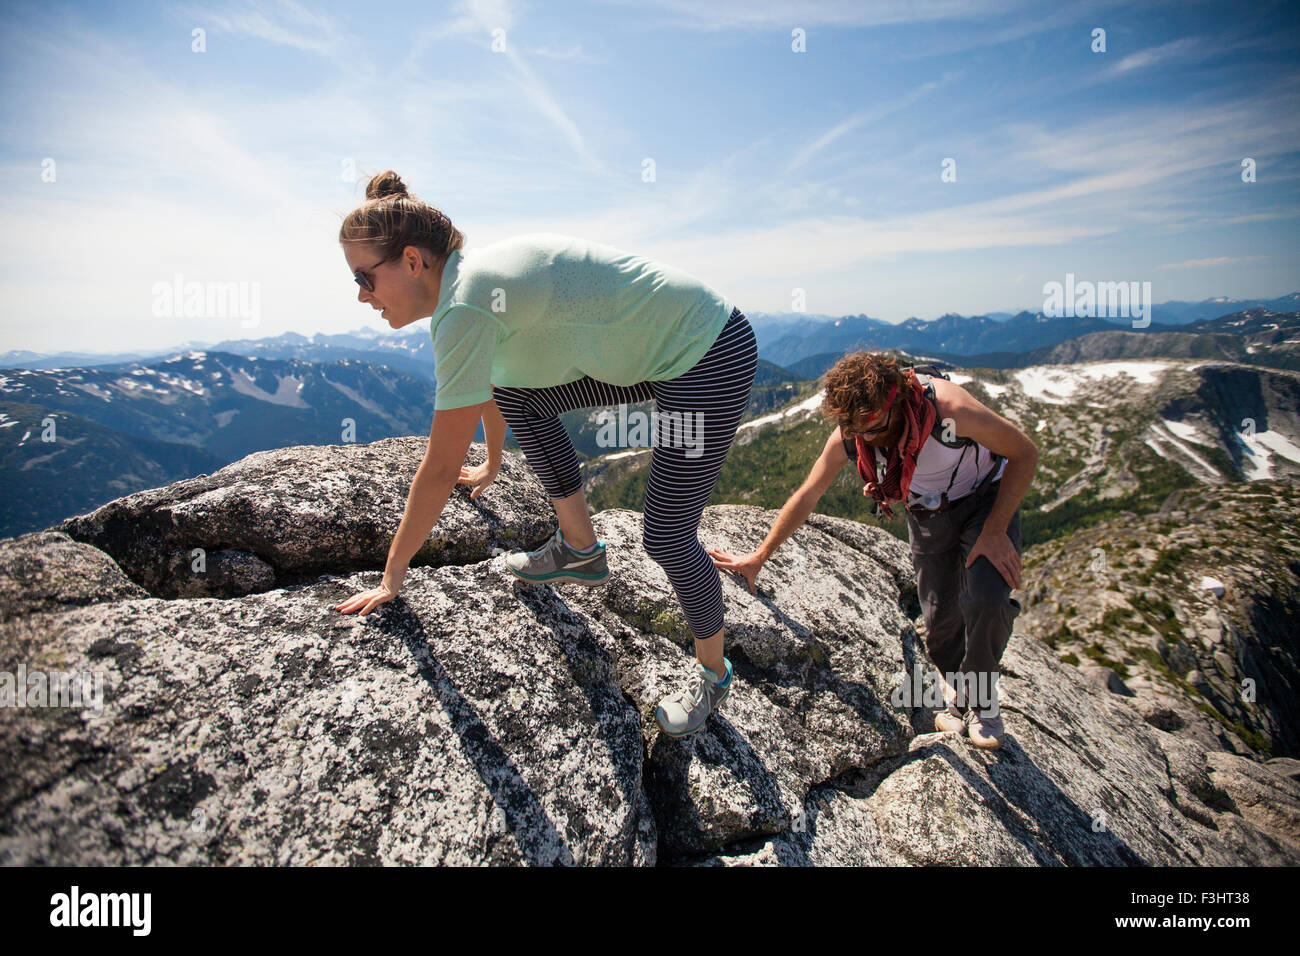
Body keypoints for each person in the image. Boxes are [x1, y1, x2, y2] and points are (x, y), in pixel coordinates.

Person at [332, 170, 757, 739]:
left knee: (667, 533)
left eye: (364, 277)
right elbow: (496, 380)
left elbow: (435, 469)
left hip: (708, 353)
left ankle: (713, 676)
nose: (361, 294)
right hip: (656, 354)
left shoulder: (464, 305)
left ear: (411, 261)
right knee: (520, 395)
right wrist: (492, 461)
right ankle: (580, 550)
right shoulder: (468, 285)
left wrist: (392, 579)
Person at [708, 351, 1037, 749]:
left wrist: (996, 530)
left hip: (985, 500)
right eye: (854, 428)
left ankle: (983, 703)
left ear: (897, 400)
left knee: (986, 597)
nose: (864, 438)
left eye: (874, 426)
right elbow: (809, 494)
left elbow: (1024, 451)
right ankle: (961, 694)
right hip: (929, 514)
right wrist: (759, 556)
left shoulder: (950, 409)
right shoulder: (852, 434)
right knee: (939, 629)